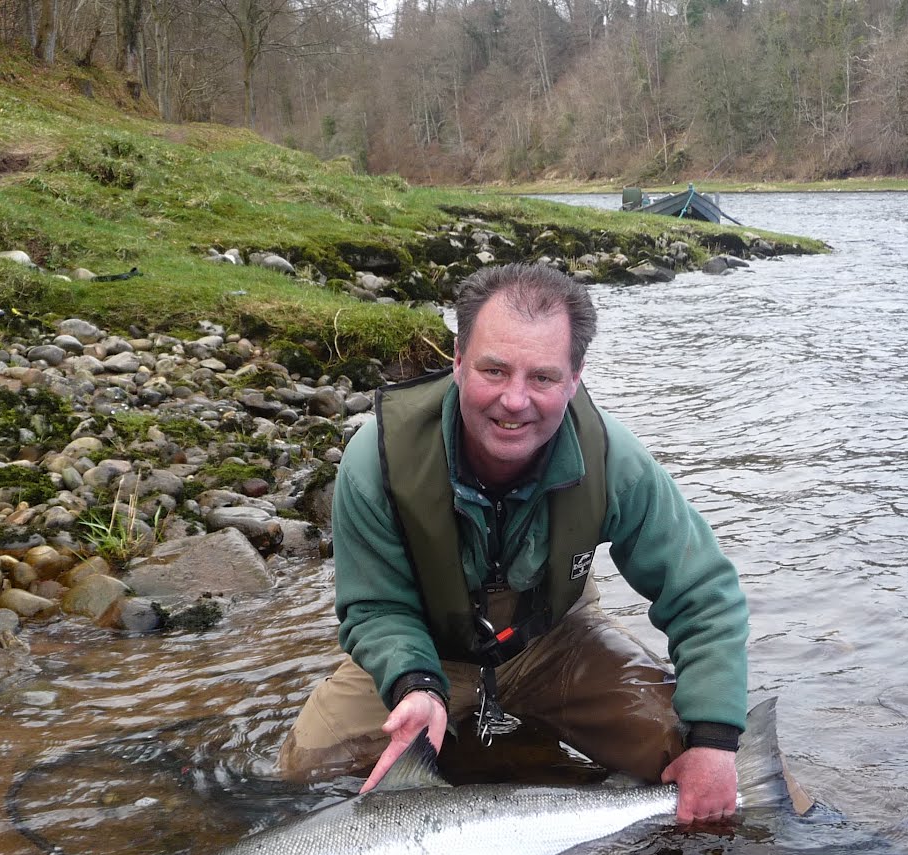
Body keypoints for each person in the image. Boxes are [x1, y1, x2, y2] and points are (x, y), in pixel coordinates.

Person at [277, 262, 749, 822]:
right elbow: (373, 608)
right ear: (456, 361)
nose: (515, 401)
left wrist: (717, 737)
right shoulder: (377, 460)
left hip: (558, 641)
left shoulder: (613, 461)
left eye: (543, 378)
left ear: (575, 379)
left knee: (702, 764)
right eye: (494, 370)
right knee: (301, 780)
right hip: (429, 653)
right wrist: (414, 682)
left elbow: (703, 595)